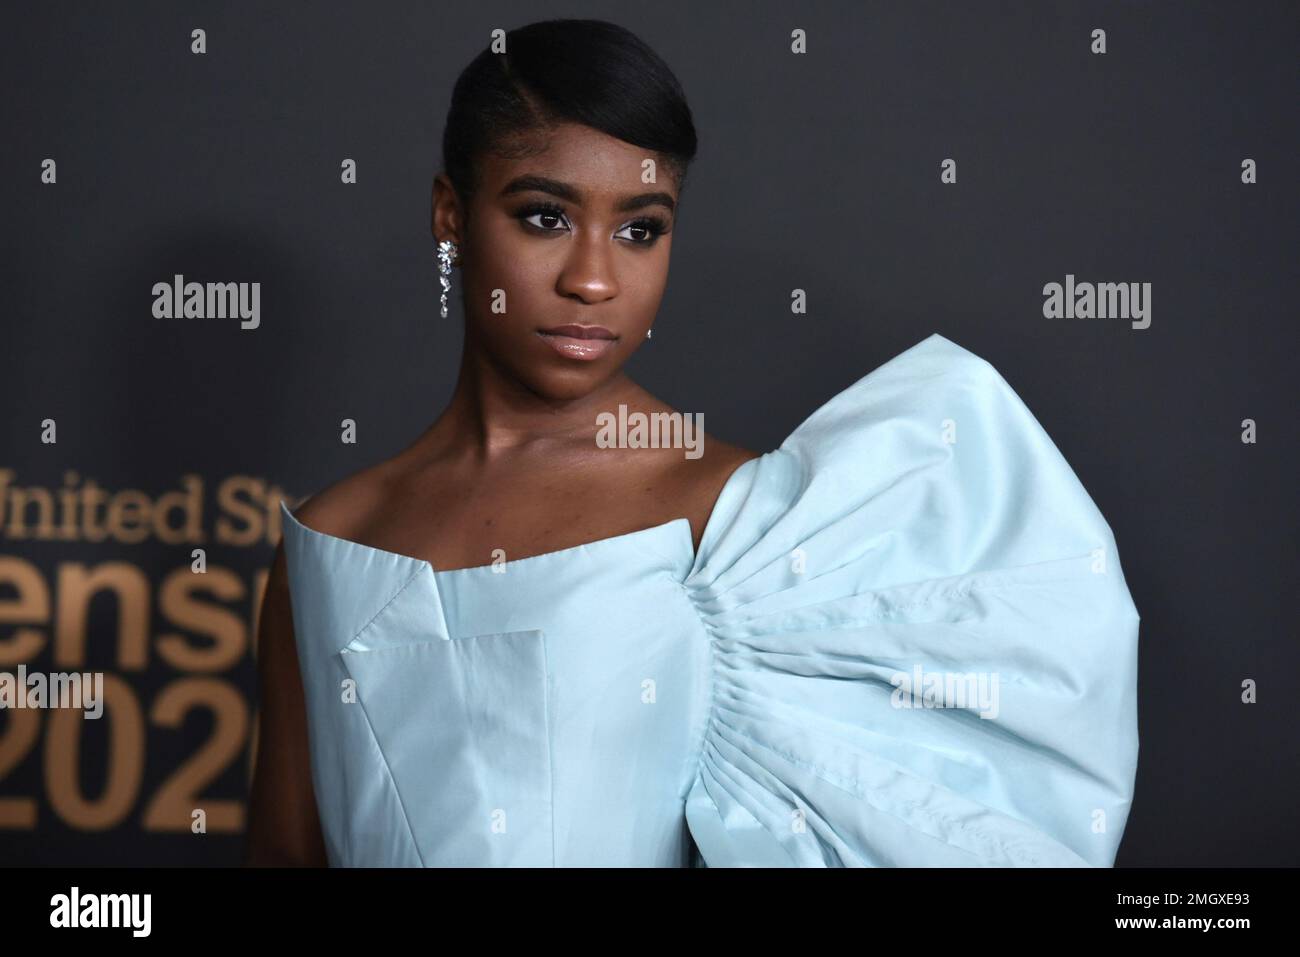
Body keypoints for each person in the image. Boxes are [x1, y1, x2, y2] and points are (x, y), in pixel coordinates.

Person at [245, 18, 1139, 868]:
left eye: (641, 229)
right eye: (545, 216)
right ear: (451, 215)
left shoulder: (745, 528)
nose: (594, 278)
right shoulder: (330, 539)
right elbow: (285, 855)